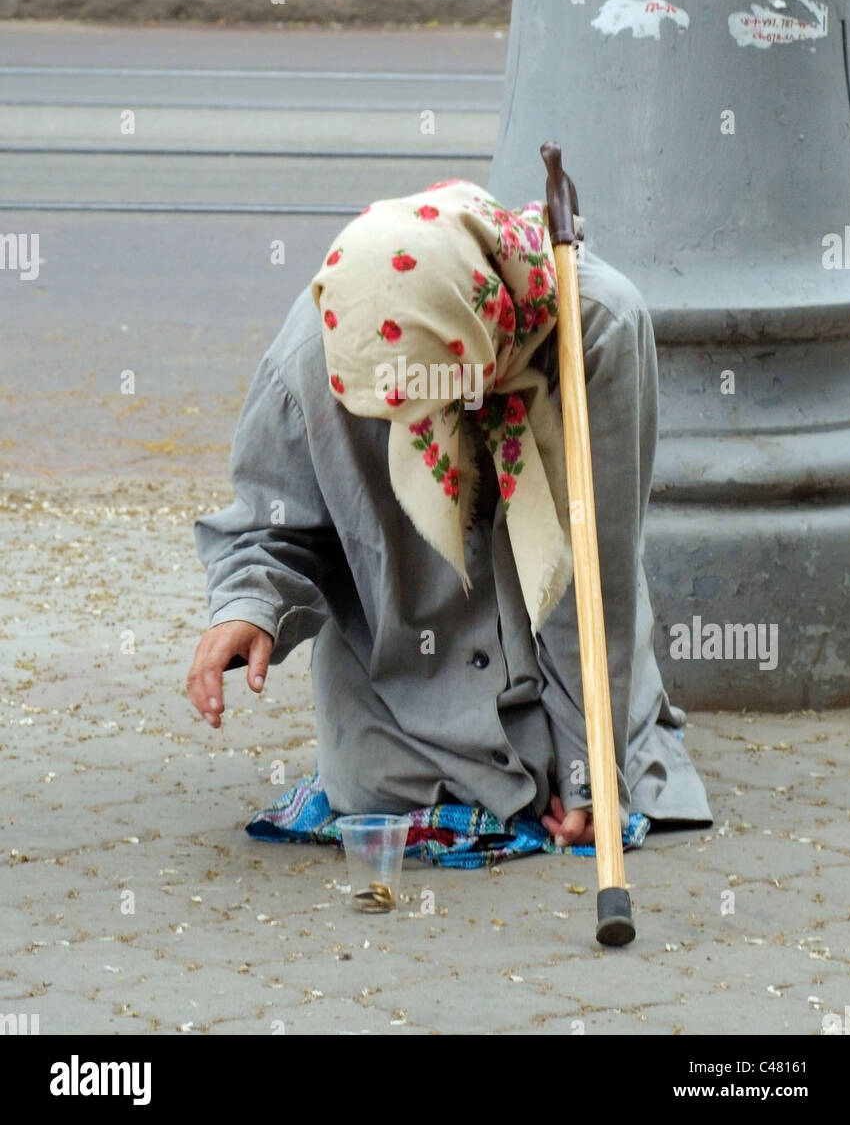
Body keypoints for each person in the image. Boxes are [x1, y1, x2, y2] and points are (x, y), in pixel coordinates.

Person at [187, 180, 712, 848]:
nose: (414, 432)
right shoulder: (320, 352)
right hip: (406, 690)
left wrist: (589, 769)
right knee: (371, 784)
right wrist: (248, 607)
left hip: (562, 654)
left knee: (593, 773)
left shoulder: (597, 327)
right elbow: (274, 523)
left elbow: (595, 566)